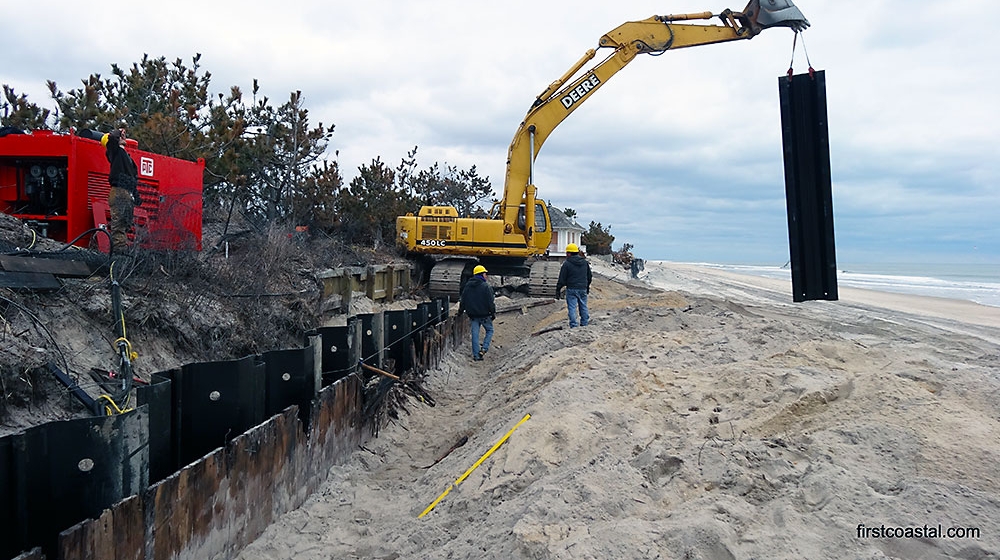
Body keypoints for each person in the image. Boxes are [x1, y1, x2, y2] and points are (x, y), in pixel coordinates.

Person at [101, 128, 141, 250]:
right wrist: (118, 132)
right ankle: (119, 254)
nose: (123, 137)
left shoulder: (125, 156)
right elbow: (112, 139)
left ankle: (122, 250)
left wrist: (136, 196)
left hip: (127, 193)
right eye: (120, 137)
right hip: (119, 192)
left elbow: (132, 178)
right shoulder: (114, 152)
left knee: (125, 224)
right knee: (118, 226)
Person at [457, 264, 496, 361]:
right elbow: (490, 302)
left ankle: (476, 355)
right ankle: (484, 348)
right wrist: (493, 313)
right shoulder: (486, 287)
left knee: (475, 334)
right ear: (481, 274)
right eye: (485, 274)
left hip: (473, 316)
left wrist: (460, 312)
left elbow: (463, 301)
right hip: (485, 315)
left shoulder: (467, 286)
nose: (486, 276)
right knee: (490, 330)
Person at [555, 243, 592, 327]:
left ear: (569, 253)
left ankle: (573, 324)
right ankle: (584, 323)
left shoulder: (567, 263)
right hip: (582, 288)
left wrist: (558, 289)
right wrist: (587, 286)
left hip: (571, 289)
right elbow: (589, 276)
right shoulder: (584, 263)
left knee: (572, 307)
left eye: (567, 253)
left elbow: (562, 278)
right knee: (583, 306)